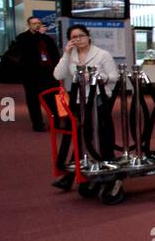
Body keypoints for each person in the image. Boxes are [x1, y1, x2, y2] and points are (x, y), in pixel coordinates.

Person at [53, 24, 120, 168]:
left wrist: (96, 76)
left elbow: (114, 77)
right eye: (74, 37)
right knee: (81, 134)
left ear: (88, 36)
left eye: (81, 36)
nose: (79, 39)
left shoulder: (102, 54)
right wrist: (66, 53)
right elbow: (58, 75)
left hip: (99, 98)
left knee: (102, 132)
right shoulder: (71, 55)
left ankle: (107, 162)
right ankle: (80, 164)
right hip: (79, 100)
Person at [12, 16, 60, 132]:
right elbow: (27, 51)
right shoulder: (23, 38)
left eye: (39, 23)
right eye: (34, 23)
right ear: (29, 25)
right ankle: (38, 124)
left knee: (51, 99)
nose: (37, 25)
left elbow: (54, 54)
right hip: (31, 75)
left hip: (48, 74)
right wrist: (39, 35)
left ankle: (56, 122)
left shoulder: (47, 39)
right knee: (33, 101)